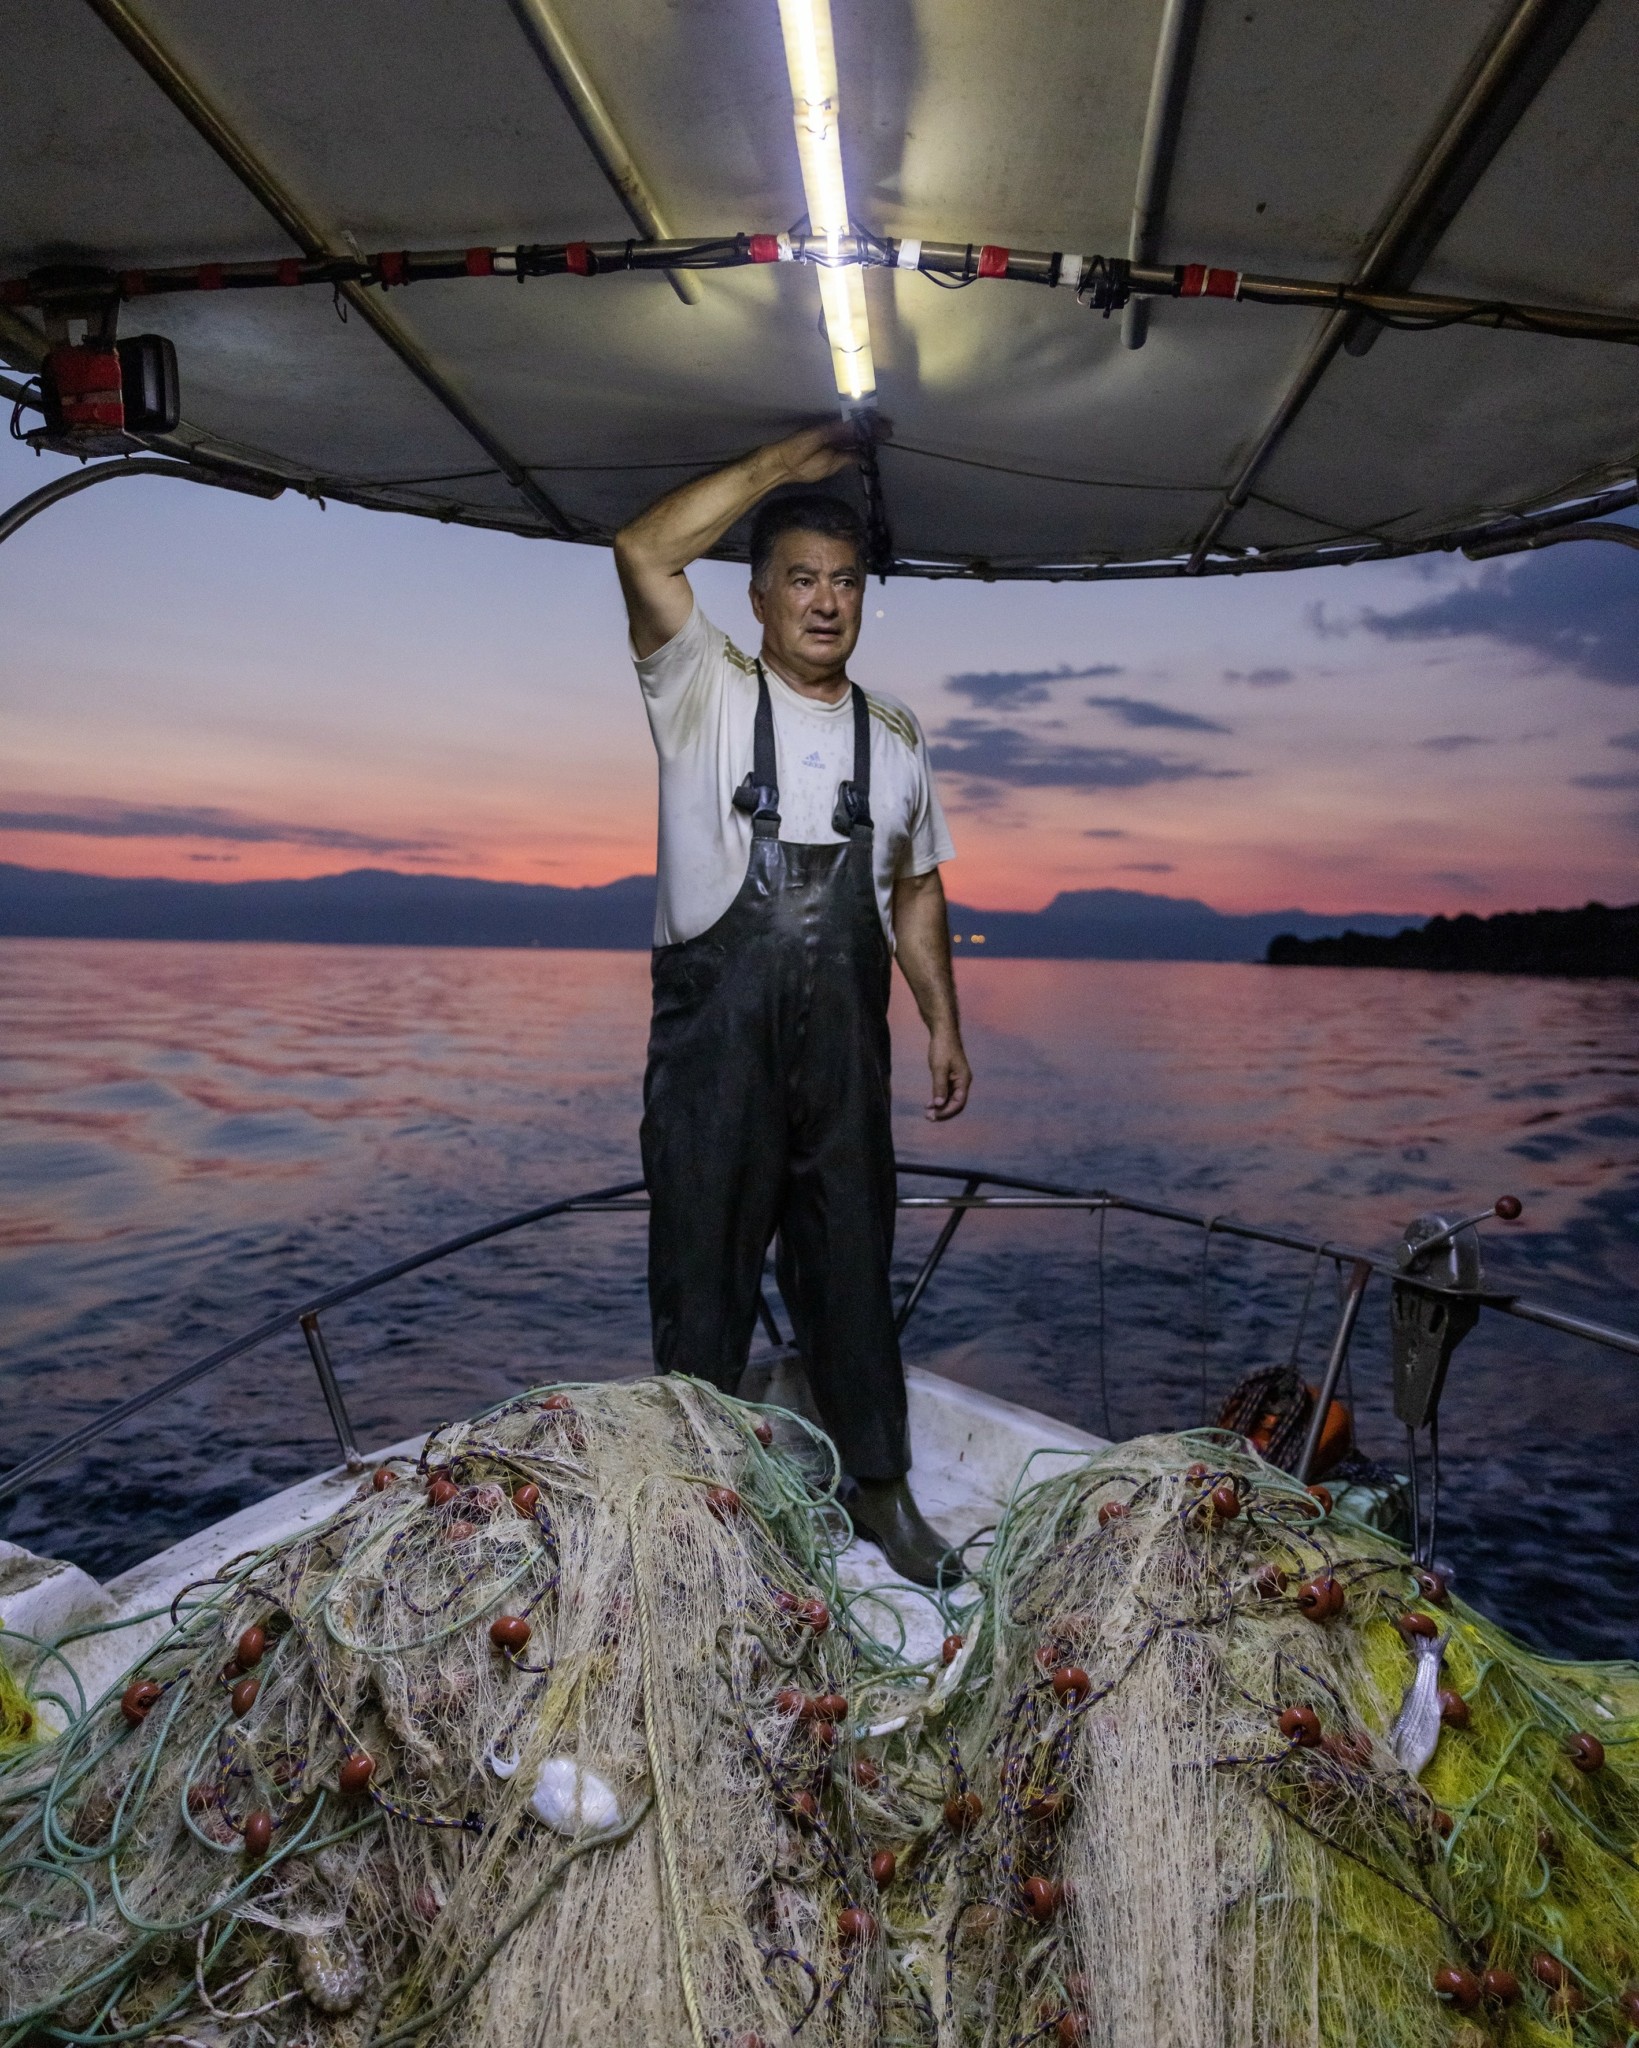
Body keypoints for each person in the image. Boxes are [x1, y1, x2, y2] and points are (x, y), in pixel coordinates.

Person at [614, 421, 972, 1584]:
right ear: (758, 597)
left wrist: (942, 1025)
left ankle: (880, 1491)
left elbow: (915, 891)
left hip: (843, 1070)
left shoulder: (898, 738)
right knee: (701, 1287)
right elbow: (639, 548)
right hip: (715, 1061)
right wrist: (782, 463)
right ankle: (696, 1517)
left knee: (853, 1274)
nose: (826, 602)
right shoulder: (701, 690)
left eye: (846, 582)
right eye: (802, 579)